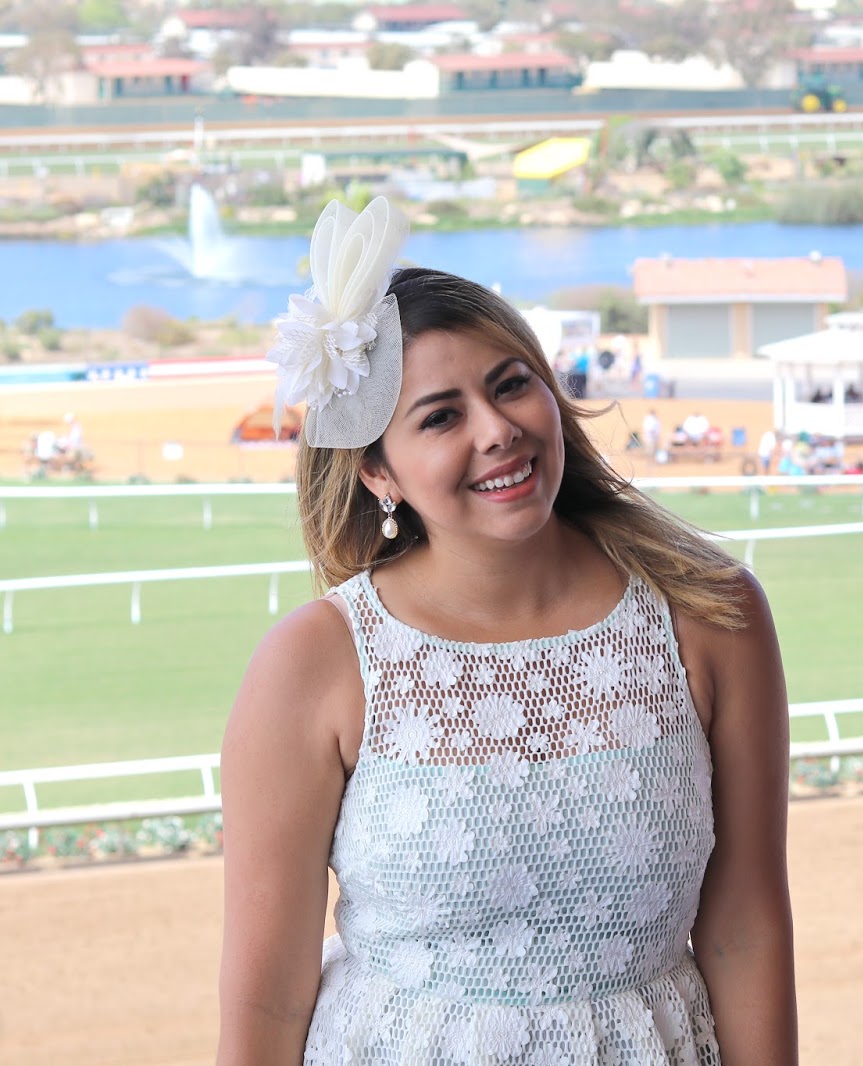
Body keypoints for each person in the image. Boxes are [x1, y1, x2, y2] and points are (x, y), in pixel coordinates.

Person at [218, 198, 798, 1065]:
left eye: (511, 383)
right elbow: (268, 994)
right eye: (441, 416)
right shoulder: (314, 663)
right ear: (378, 469)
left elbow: (746, 927)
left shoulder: (711, 614)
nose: (498, 432)